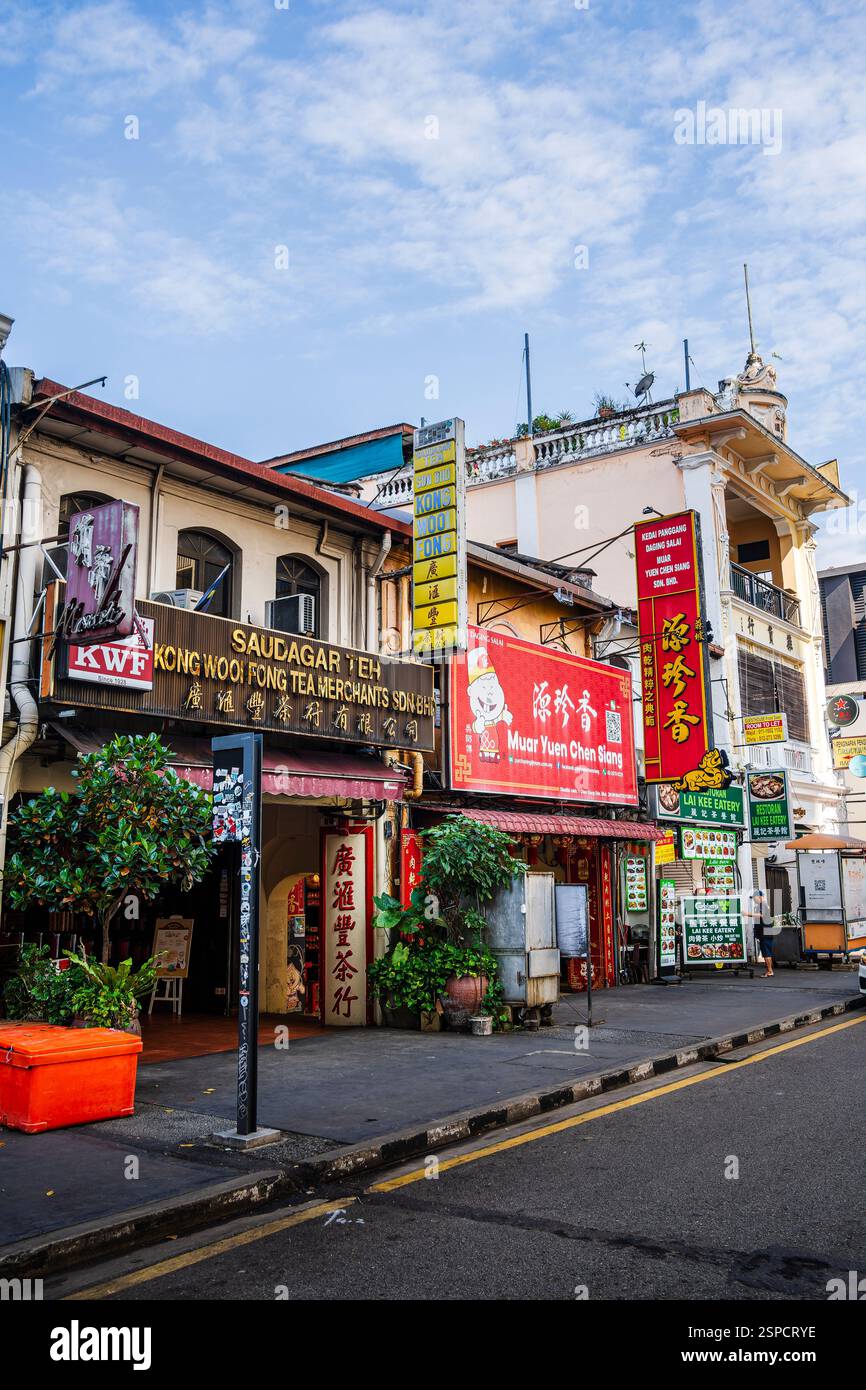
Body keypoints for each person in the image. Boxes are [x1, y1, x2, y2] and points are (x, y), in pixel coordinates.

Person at [749, 889, 775, 977]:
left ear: (759, 897)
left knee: (766, 952)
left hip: (765, 932)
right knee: (767, 952)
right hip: (766, 931)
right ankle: (769, 970)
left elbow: (761, 915)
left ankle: (769, 971)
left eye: (754, 898)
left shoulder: (762, 905)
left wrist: (747, 914)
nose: (754, 900)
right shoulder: (763, 905)